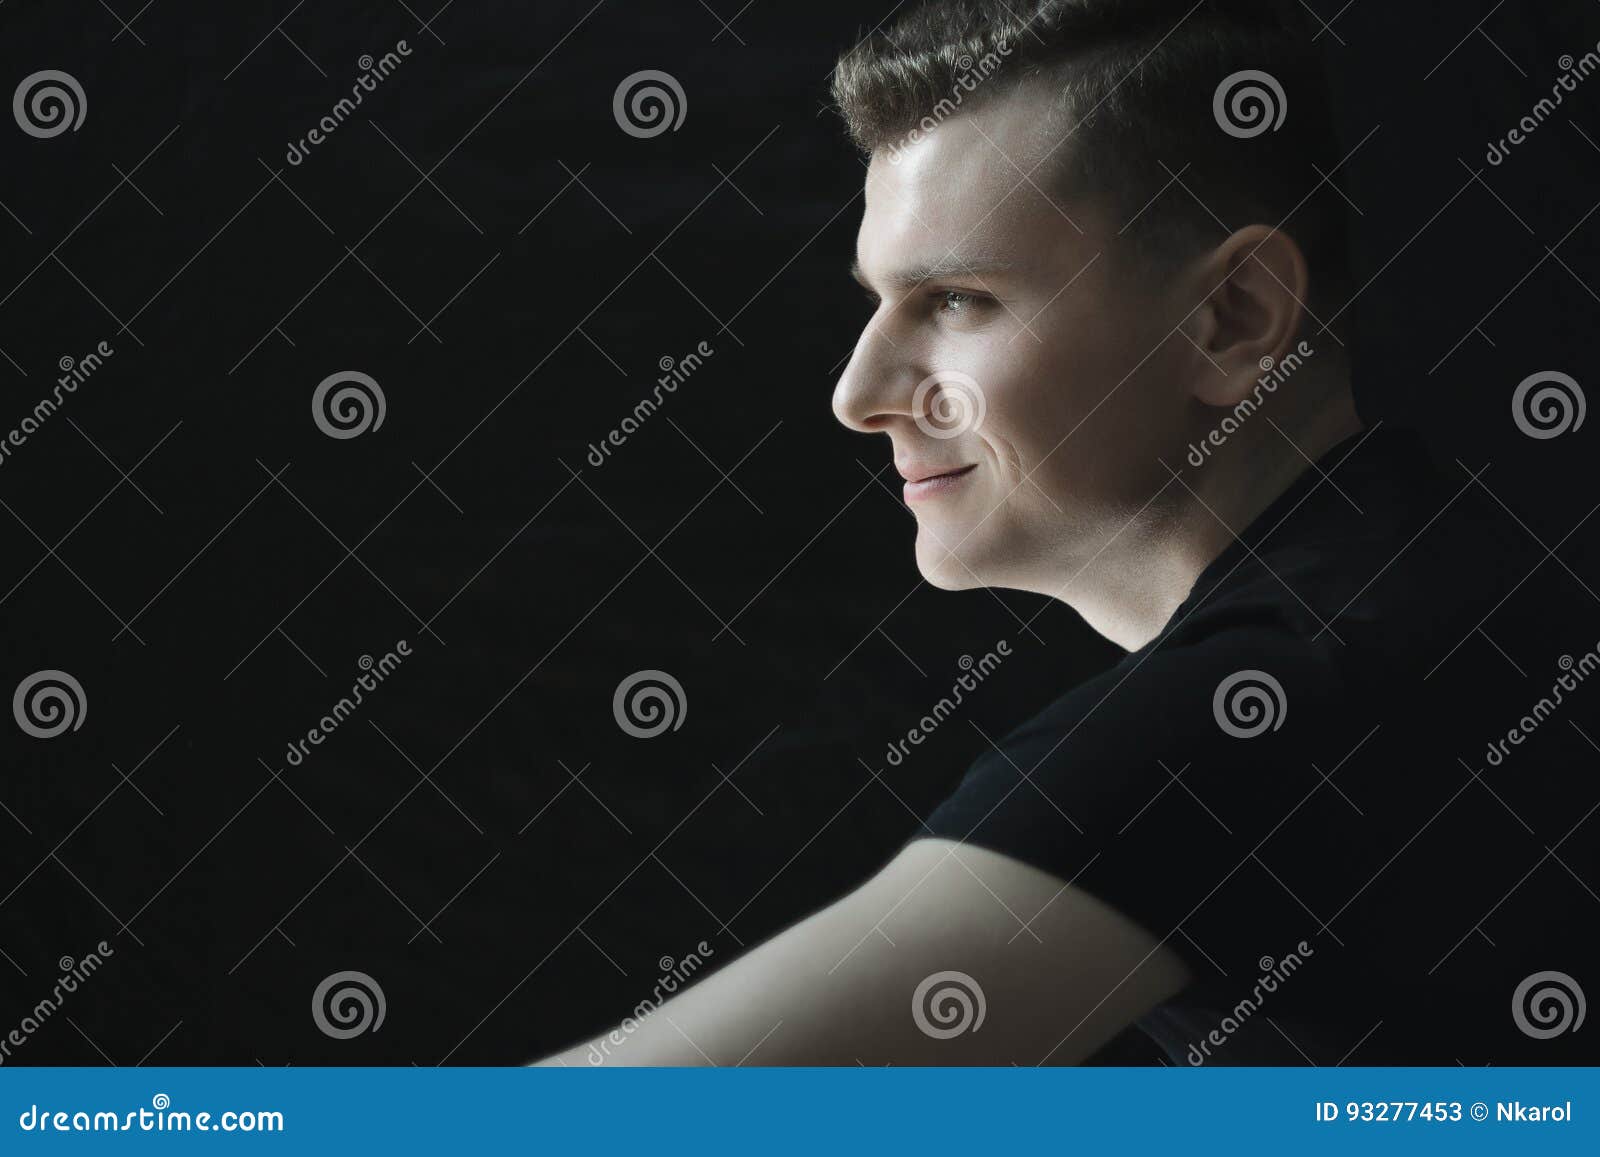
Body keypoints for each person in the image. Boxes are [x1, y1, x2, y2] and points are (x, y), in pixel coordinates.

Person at [537, 0, 1592, 1066]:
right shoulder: (1448, 591)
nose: (858, 393)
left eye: (954, 299)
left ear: (1232, 319)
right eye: (877, 301)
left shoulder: (1260, 709)